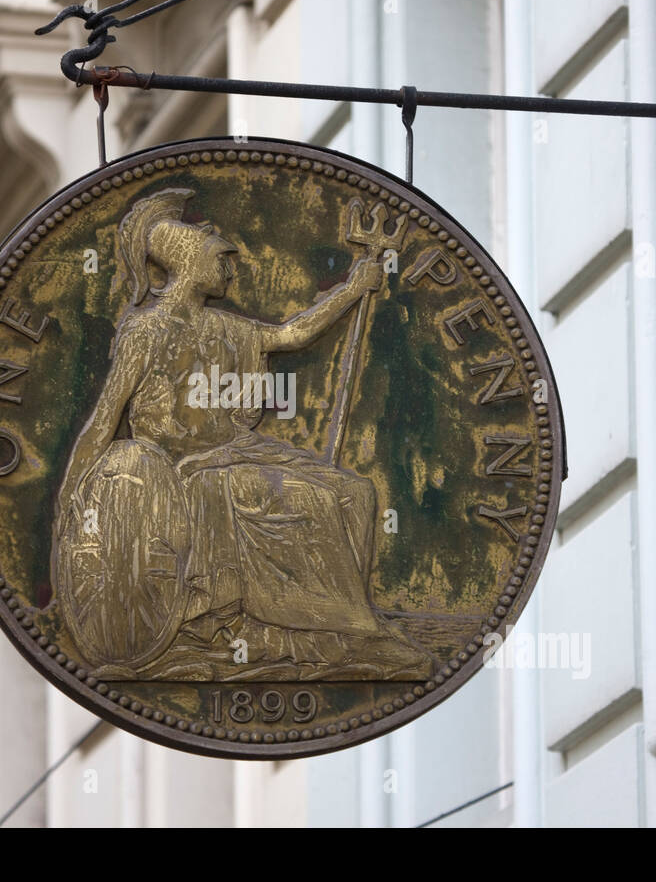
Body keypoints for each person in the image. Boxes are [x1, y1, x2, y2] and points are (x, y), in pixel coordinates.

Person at [53, 187, 432, 681]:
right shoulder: (145, 331)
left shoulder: (228, 327)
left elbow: (292, 336)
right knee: (303, 499)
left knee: (356, 492)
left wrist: (354, 289)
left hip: (236, 450)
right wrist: (73, 491)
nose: (231, 270)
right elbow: (106, 417)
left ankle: (331, 630)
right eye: (220, 260)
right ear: (188, 263)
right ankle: (324, 634)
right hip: (181, 470)